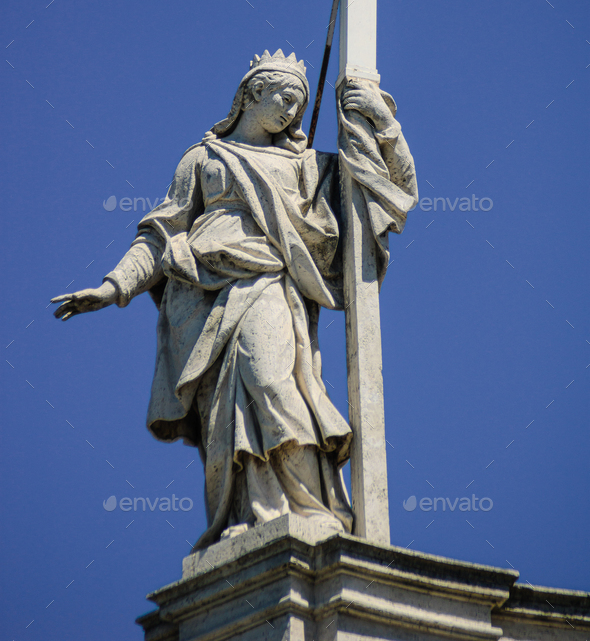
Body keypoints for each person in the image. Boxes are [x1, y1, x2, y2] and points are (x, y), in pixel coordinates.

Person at [52, 50, 418, 549]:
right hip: (199, 300)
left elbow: (390, 190)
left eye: (299, 103)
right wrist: (114, 287)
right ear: (251, 94)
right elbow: (161, 236)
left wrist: (378, 117)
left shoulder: (309, 167)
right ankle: (247, 514)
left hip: (269, 286)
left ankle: (309, 508)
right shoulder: (203, 159)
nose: (291, 112)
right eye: (284, 98)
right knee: (224, 416)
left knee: (273, 383)